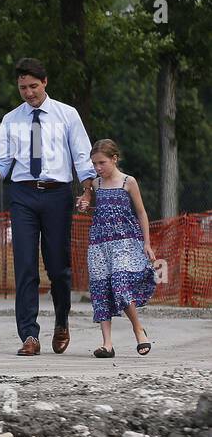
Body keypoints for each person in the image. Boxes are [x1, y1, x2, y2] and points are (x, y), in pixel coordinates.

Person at [0, 58, 96, 356]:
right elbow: (1, 164)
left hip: (57, 195)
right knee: (25, 266)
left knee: (58, 267)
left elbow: (82, 156)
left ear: (45, 83)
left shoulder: (66, 115)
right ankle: (29, 335)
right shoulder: (12, 120)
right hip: (23, 195)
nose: (28, 93)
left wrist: (87, 189)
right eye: (22, 88)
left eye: (33, 86)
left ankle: (62, 321)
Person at [78, 139, 156, 357]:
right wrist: (83, 204)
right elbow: (86, 203)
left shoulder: (128, 182)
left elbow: (141, 213)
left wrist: (147, 243)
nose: (97, 168)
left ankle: (138, 328)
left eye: (101, 163)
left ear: (114, 159)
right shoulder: (95, 184)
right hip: (99, 243)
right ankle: (107, 344)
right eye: (94, 164)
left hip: (125, 241)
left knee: (120, 284)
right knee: (100, 288)